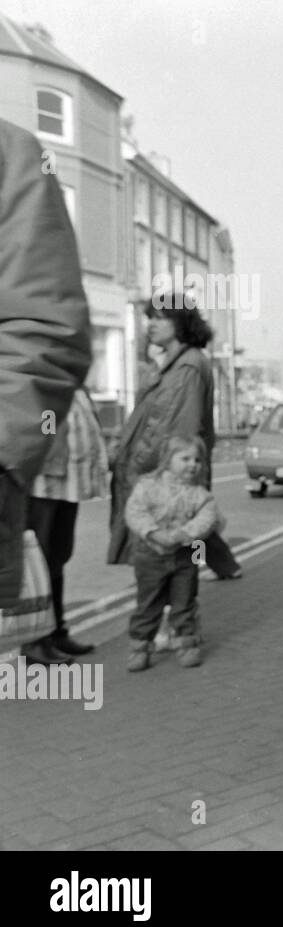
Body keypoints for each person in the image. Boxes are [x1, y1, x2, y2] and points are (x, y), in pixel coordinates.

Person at [0, 117, 92, 608]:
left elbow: (43, 330)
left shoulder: (11, 154)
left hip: (53, 480)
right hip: (52, 479)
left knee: (54, 556)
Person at [108, 295, 242, 579]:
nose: (151, 325)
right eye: (149, 318)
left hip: (161, 471)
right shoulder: (172, 363)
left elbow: (180, 430)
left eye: (159, 318)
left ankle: (176, 613)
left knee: (173, 546)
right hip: (155, 469)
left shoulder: (187, 367)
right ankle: (216, 574)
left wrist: (145, 464)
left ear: (180, 322)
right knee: (181, 536)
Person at [19, 386, 109, 665]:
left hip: (68, 482)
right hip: (44, 481)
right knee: (39, 561)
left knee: (57, 557)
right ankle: (35, 641)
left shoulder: (68, 377)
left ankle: (57, 632)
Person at [123, 435, 221, 671]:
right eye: (185, 458)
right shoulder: (147, 486)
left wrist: (183, 534)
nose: (192, 464)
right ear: (167, 460)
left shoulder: (200, 493)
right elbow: (135, 512)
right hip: (150, 554)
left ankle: (186, 644)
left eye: (197, 460)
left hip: (184, 556)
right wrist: (153, 532)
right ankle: (140, 648)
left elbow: (208, 518)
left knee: (184, 602)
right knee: (147, 604)